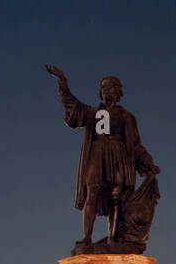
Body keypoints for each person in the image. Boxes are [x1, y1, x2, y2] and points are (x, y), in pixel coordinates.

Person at [46, 65, 160, 248]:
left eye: (109, 86)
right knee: (92, 192)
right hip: (98, 154)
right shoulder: (94, 112)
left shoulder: (126, 117)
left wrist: (148, 163)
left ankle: (113, 238)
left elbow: (136, 144)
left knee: (117, 199)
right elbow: (72, 104)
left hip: (119, 157)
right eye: (103, 87)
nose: (105, 90)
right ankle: (87, 237)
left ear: (118, 91)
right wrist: (63, 83)